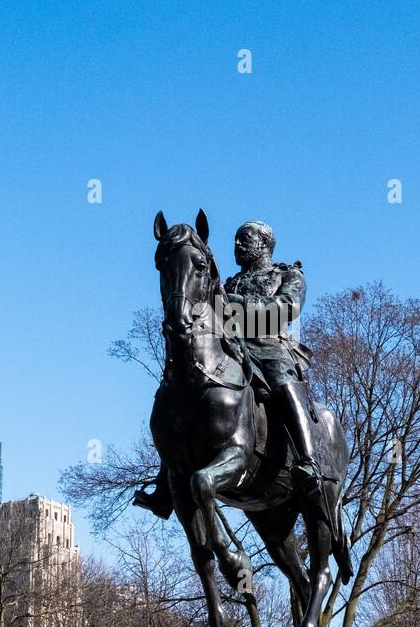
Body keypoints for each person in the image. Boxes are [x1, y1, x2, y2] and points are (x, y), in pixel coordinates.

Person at [134, 219, 322, 517]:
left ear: (265, 244)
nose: (236, 244)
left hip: (270, 345)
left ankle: (308, 462)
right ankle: (166, 483)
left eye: (244, 238)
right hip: (231, 348)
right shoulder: (228, 281)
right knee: (183, 391)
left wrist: (232, 301)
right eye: (235, 239)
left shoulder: (287, 274)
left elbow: (287, 309)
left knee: (283, 380)